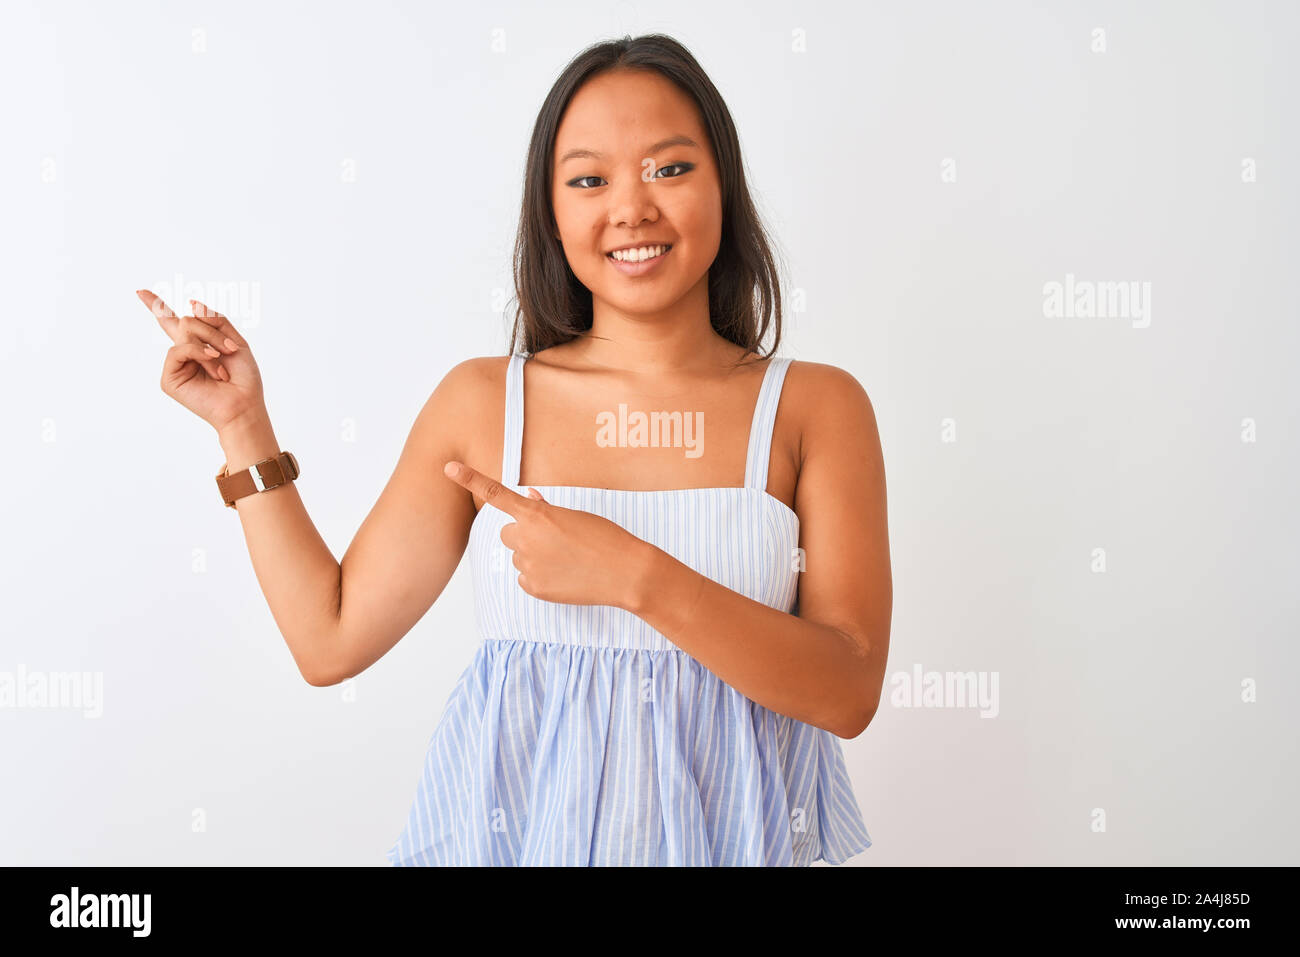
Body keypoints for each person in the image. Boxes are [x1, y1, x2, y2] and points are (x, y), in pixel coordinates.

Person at [137, 33, 891, 866]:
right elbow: (330, 638)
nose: (632, 208)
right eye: (589, 180)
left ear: (724, 185)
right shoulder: (485, 403)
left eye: (670, 168)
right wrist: (244, 426)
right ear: (553, 211)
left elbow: (848, 690)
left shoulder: (817, 407)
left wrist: (633, 576)